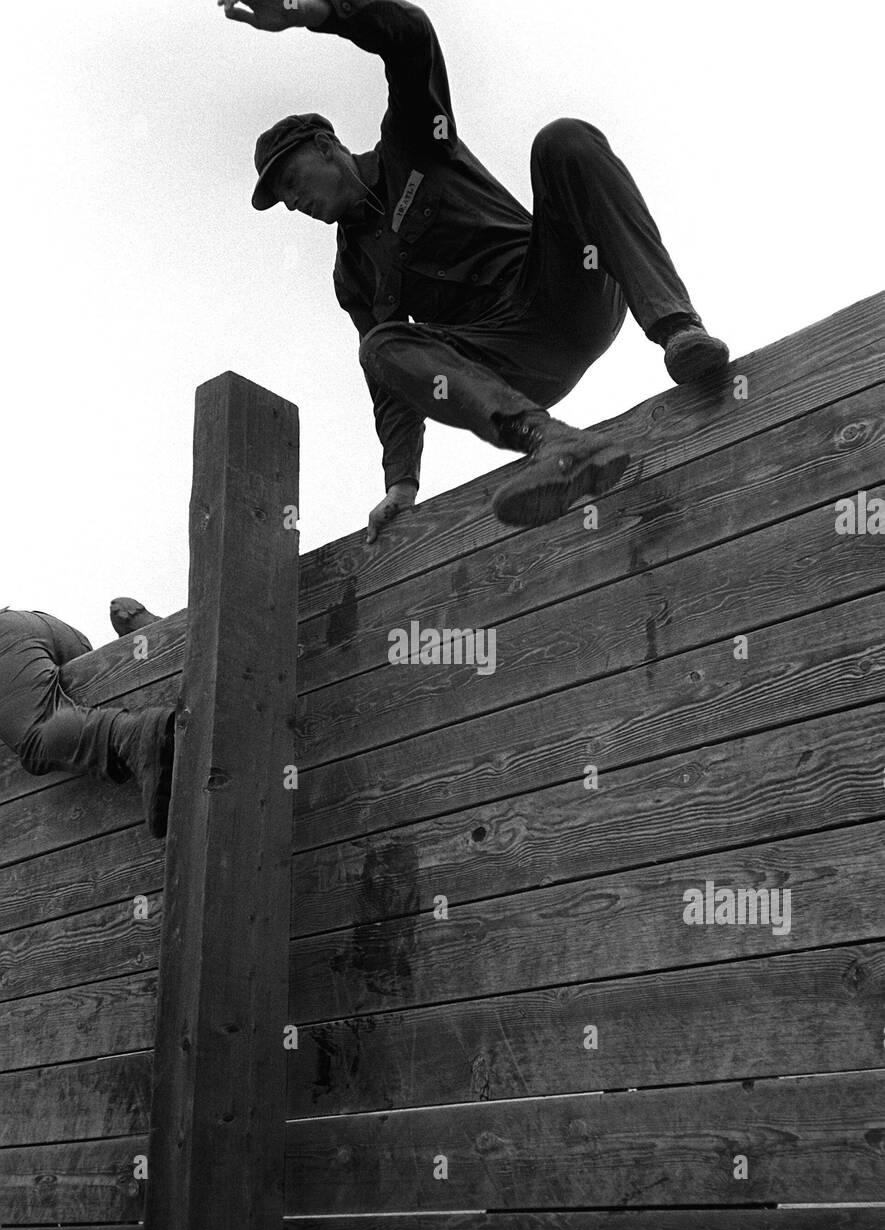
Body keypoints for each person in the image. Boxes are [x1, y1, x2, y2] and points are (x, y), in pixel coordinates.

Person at [220, 0, 730, 534]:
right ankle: (551, 442)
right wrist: (402, 484)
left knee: (563, 140)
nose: (294, 202)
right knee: (378, 347)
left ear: (327, 148)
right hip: (513, 362)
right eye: (283, 200)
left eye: (293, 182)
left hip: (567, 290)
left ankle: (679, 331)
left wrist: (320, 13)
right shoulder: (352, 275)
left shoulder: (412, 142)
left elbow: (411, 37)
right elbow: (391, 381)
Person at [0, 605, 175, 839]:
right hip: (51, 634)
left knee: (36, 734)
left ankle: (133, 735)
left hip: (9, 638)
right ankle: (150, 640)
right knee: (90, 697)